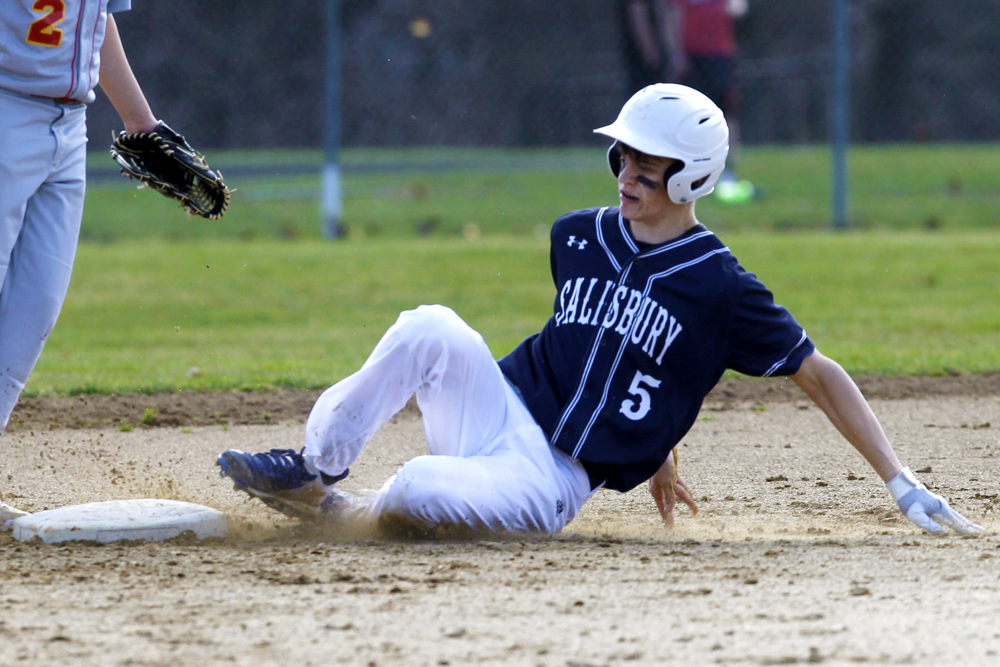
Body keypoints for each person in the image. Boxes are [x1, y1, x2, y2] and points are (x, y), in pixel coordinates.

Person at [218, 84, 982, 539]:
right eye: (624, 155)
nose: (629, 173)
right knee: (430, 324)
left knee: (417, 485)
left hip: (550, 476)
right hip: (500, 411)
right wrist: (662, 450)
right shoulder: (577, 233)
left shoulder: (719, 285)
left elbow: (817, 373)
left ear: (692, 180)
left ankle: (340, 514)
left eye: (650, 165)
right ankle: (315, 467)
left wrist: (899, 478)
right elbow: (608, 348)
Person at [0, 1, 159, 435]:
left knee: (35, 305)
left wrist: (140, 121)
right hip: (7, 108)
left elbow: (97, 20)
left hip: (71, 127)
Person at [663, 0, 754, 200]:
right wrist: (676, 54)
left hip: (720, 56)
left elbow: (738, 10)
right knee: (688, 119)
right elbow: (673, 17)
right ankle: (688, 173)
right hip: (691, 57)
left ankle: (727, 171)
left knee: (726, 115)